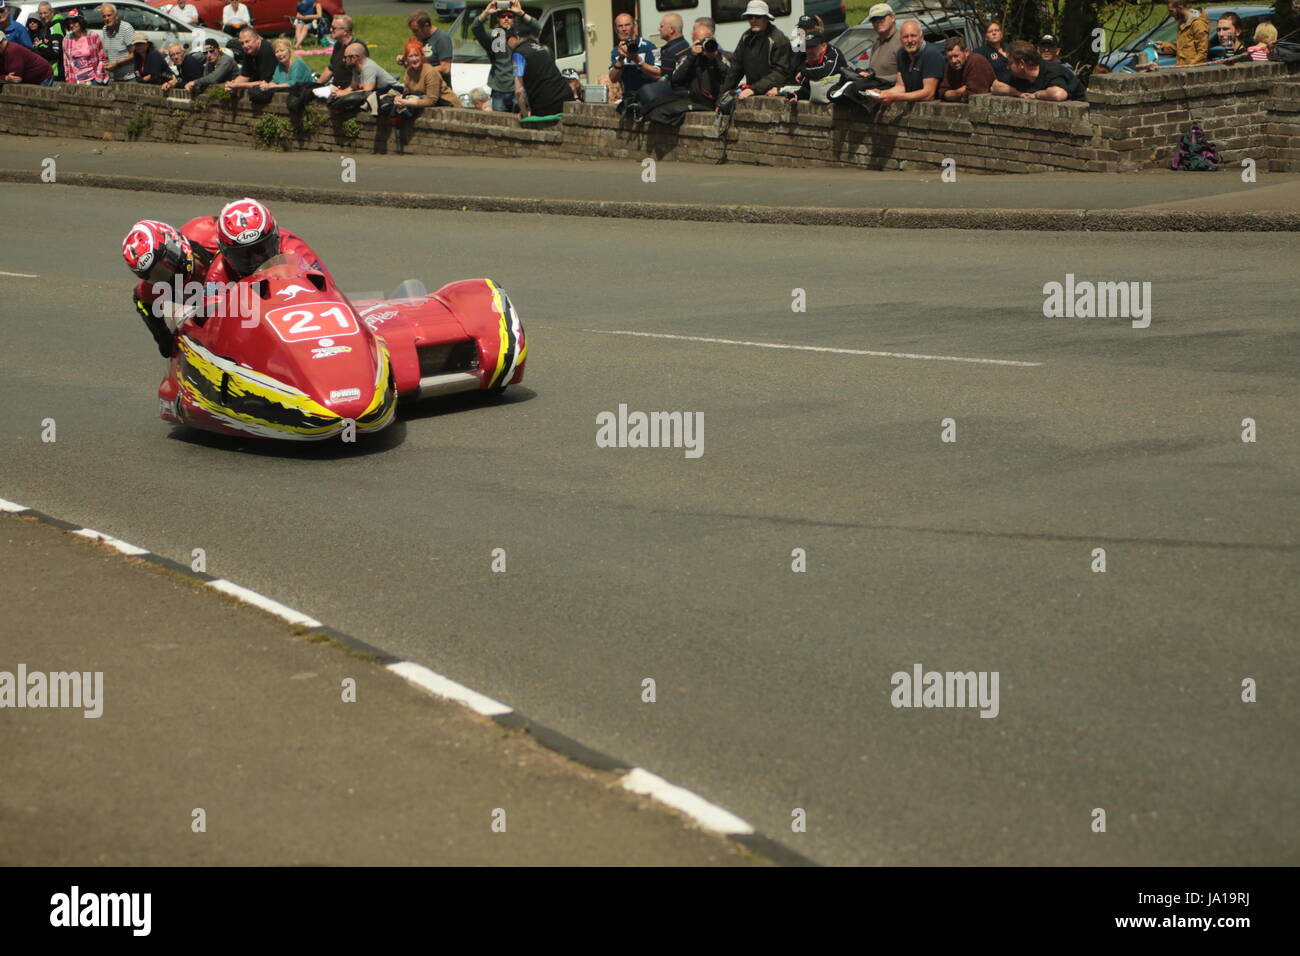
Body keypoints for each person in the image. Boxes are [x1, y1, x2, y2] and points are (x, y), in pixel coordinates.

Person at [122, 219, 215, 357]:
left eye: (168, 262)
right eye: (156, 275)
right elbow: (141, 301)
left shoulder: (209, 233)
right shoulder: (153, 289)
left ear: (174, 242)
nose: (168, 274)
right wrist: (163, 338)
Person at [206, 198, 331, 287]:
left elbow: (328, 290)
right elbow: (208, 311)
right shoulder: (220, 269)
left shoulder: (294, 250)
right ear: (225, 253)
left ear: (276, 238)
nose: (255, 260)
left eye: (261, 249)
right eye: (244, 255)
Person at [720, 1, 794, 100]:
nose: (753, 20)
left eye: (758, 17)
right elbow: (735, 70)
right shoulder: (746, 37)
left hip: (773, 94)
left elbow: (779, 73)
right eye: (750, 17)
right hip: (752, 93)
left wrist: (753, 89)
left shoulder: (778, 39)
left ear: (766, 18)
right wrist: (721, 98)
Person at [472, 1, 535, 112]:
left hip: (517, 88)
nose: (506, 18)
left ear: (514, 19)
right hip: (498, 90)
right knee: (498, 123)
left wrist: (521, 12)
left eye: (510, 16)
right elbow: (475, 28)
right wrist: (486, 12)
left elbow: (536, 27)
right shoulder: (494, 35)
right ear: (498, 19)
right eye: (502, 16)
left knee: (518, 123)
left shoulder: (521, 36)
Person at [506, 19, 572, 118]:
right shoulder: (543, 48)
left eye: (508, 39)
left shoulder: (518, 53)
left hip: (546, 102)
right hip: (566, 96)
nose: (507, 43)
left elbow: (519, 90)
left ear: (517, 37)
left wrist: (524, 113)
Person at [670, 17, 732, 108]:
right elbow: (675, 79)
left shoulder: (724, 56)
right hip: (698, 105)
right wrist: (692, 56)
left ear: (713, 38)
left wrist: (715, 58)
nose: (704, 44)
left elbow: (731, 76)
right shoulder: (688, 58)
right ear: (693, 41)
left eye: (707, 40)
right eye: (701, 42)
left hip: (721, 103)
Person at [991, 40, 1085, 100]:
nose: (1008, 67)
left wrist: (1037, 95)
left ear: (1022, 64)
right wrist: (1018, 93)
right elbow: (995, 86)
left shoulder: (1052, 71)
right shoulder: (1017, 75)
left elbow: (1058, 94)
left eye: (1010, 63)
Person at [387, 36, 457, 115]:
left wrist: (408, 102)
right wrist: (399, 99)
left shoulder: (430, 72)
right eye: (410, 56)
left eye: (416, 55)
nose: (414, 59)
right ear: (406, 59)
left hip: (450, 108)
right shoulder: (408, 72)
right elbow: (407, 93)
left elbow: (431, 100)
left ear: (422, 56)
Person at [877, 19, 942, 104]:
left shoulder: (931, 54)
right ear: (900, 39)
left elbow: (929, 94)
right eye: (905, 37)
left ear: (921, 37)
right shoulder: (901, 53)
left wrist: (895, 97)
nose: (910, 40)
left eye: (913, 36)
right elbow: (901, 87)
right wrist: (882, 93)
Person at [330, 41, 397, 113]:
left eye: (345, 57)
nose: (343, 60)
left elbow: (367, 91)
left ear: (354, 58)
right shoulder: (355, 68)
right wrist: (339, 92)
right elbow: (352, 87)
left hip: (395, 92)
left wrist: (344, 94)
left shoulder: (368, 67)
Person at [609, 13, 660, 101]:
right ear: (616, 30)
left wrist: (637, 60)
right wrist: (620, 59)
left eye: (627, 25)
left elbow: (658, 74)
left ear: (635, 27)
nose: (624, 29)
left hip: (649, 98)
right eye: (620, 26)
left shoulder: (649, 47)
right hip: (629, 98)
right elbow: (613, 79)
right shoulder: (616, 51)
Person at [1145, 0, 1209, 68]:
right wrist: (1164, 46)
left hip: (1193, 72)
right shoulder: (1182, 23)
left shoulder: (1198, 24)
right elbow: (1181, 47)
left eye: (1171, 11)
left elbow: (1202, 52)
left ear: (1180, 8)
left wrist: (1190, 68)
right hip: (1182, 69)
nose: (1170, 14)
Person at [791, 32, 849, 100]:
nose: (809, 51)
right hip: (821, 96)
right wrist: (797, 95)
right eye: (807, 47)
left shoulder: (833, 54)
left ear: (823, 46)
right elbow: (808, 83)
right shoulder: (810, 58)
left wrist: (803, 72)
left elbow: (826, 72)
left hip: (838, 96)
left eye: (813, 47)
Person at [226, 26, 277, 102]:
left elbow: (264, 82)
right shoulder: (249, 50)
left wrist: (238, 85)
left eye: (247, 41)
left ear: (257, 39)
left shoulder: (267, 50)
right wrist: (232, 84)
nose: (245, 46)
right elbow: (245, 75)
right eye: (242, 43)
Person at [938, 36, 994, 102]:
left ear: (966, 52)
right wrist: (961, 91)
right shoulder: (950, 65)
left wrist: (953, 94)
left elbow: (975, 93)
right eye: (950, 57)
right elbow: (942, 92)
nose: (953, 60)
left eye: (956, 56)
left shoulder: (976, 61)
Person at [403, 10, 451, 79]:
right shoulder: (419, 38)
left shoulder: (441, 39)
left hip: (437, 85)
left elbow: (445, 68)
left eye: (416, 30)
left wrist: (422, 70)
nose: (414, 34)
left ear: (426, 26)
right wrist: (405, 59)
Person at [61, 11, 106, 84]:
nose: (71, 25)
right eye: (69, 23)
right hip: (76, 80)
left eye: (74, 22)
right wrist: (69, 79)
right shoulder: (67, 39)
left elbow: (102, 59)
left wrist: (98, 78)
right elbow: (66, 62)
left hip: (94, 79)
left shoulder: (93, 36)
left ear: (81, 22)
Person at [864, 3, 902, 84]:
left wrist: (875, 79)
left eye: (881, 18)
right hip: (875, 92)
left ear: (892, 17)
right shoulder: (876, 43)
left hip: (894, 93)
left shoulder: (902, 41)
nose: (878, 22)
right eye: (874, 20)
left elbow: (908, 75)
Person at [317, 15, 357, 90]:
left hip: (349, 92)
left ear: (345, 31)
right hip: (335, 88)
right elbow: (330, 69)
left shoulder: (357, 48)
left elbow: (360, 77)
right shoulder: (338, 44)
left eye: (334, 28)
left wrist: (343, 93)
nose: (331, 30)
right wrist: (316, 85)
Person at [99, 4, 135, 82]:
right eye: (104, 16)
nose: (107, 18)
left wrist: (117, 64)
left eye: (109, 15)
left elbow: (134, 53)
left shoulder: (126, 28)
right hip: (113, 77)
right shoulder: (105, 29)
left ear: (116, 15)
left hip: (128, 78)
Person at [30, 3, 65, 80]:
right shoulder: (48, 26)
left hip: (56, 73)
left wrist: (40, 45)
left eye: (45, 13)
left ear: (51, 12)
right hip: (49, 71)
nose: (43, 16)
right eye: (40, 13)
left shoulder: (56, 26)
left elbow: (55, 52)